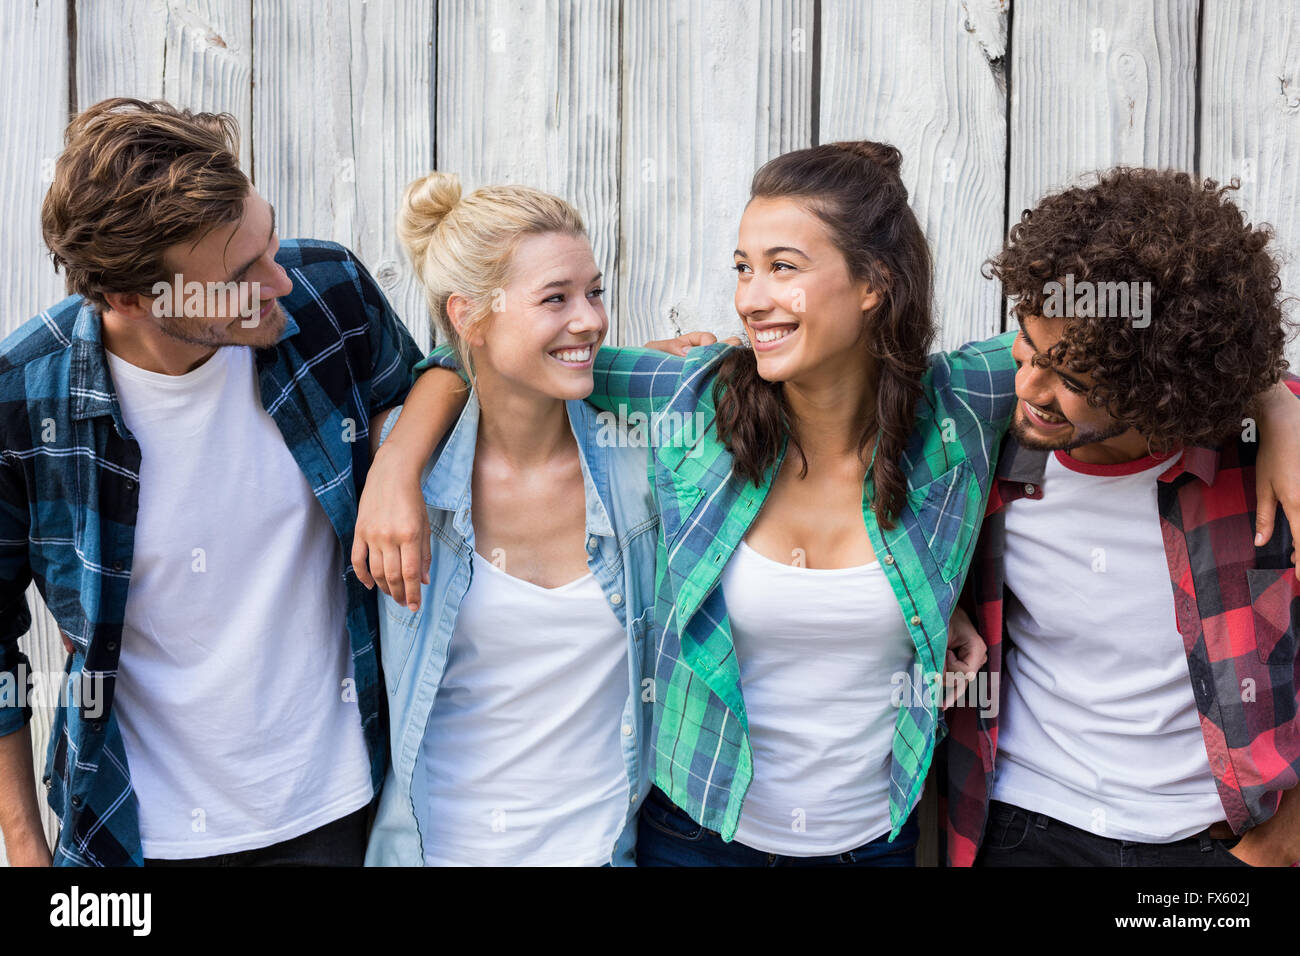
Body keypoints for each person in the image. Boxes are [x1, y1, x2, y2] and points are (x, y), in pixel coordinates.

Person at [358, 141, 1015, 866]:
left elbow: (1076, 343)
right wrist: (397, 462)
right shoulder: (697, 406)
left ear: (873, 284)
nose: (750, 298)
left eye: (782, 267)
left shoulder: (963, 405)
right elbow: (486, 355)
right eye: (743, 268)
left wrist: (940, 595)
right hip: (697, 838)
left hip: (874, 843)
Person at [0, 98, 422, 867]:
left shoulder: (330, 294)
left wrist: (395, 467)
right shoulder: (25, 397)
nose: (278, 282)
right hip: (130, 835)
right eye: (239, 275)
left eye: (266, 240)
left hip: (338, 811)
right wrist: (26, 850)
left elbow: (442, 384)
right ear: (130, 299)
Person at [943, 166, 1300, 867]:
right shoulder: (980, 407)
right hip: (1029, 826)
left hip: (1214, 847)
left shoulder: (1261, 462)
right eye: (1027, 345)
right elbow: (843, 384)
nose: (1029, 388)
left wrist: (1280, 844)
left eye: (1072, 379)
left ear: (1161, 391)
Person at [361, 174, 658, 866]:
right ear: (469, 315)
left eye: (593, 291)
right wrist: (398, 459)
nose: (589, 319)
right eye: (554, 298)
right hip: (439, 852)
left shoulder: (641, 469)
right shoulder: (403, 468)